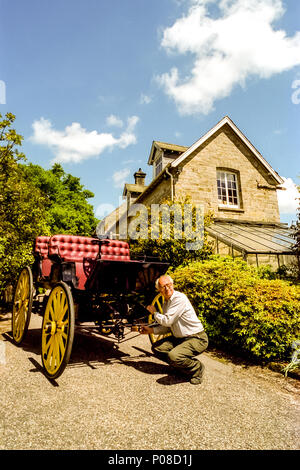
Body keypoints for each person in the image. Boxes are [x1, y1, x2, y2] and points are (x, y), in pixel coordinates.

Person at [140, 274, 208, 385]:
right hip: (181, 338)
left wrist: (154, 312)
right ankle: (181, 367)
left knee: (174, 356)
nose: (167, 288)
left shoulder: (179, 298)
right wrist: (151, 330)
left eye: (169, 285)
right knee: (158, 348)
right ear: (159, 290)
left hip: (197, 338)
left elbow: (167, 321)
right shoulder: (166, 303)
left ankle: (197, 368)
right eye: (163, 286)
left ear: (173, 285)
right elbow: (167, 327)